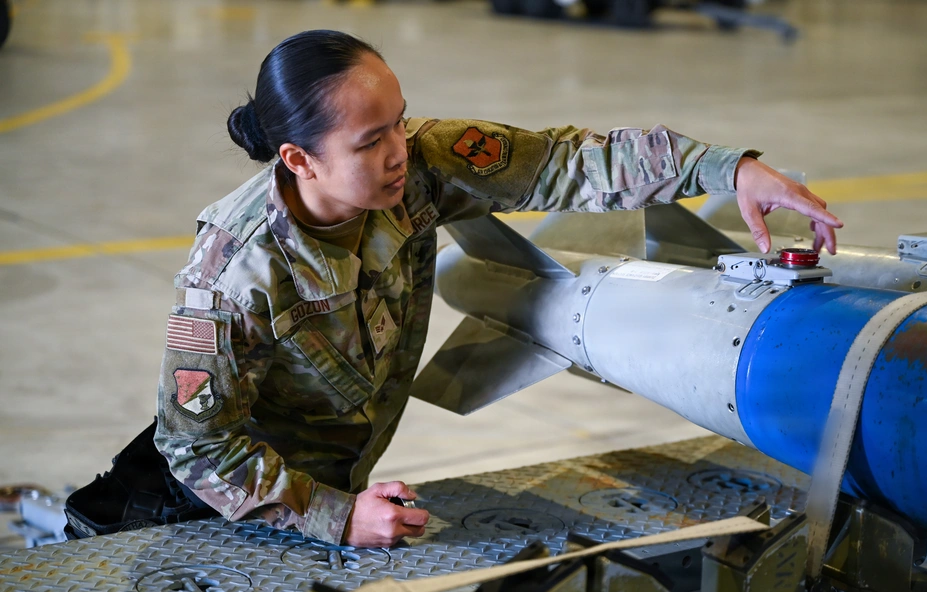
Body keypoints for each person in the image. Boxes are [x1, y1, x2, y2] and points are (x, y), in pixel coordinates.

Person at [153, 29, 841, 550]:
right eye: (369, 141)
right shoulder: (233, 273)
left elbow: (566, 162)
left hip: (336, 488)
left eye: (400, 120)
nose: (400, 148)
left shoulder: (412, 164)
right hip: (232, 506)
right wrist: (335, 514)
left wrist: (729, 171)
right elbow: (197, 447)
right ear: (299, 159)